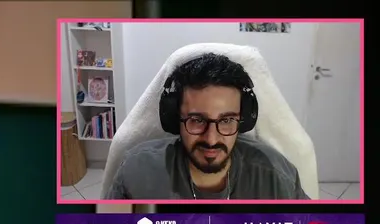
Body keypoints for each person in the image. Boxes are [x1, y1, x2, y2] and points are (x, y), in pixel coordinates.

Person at [104, 52, 311, 201]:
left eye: (226, 120)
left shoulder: (277, 178)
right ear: (175, 119)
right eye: (197, 120)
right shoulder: (137, 172)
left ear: (244, 120)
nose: (211, 139)